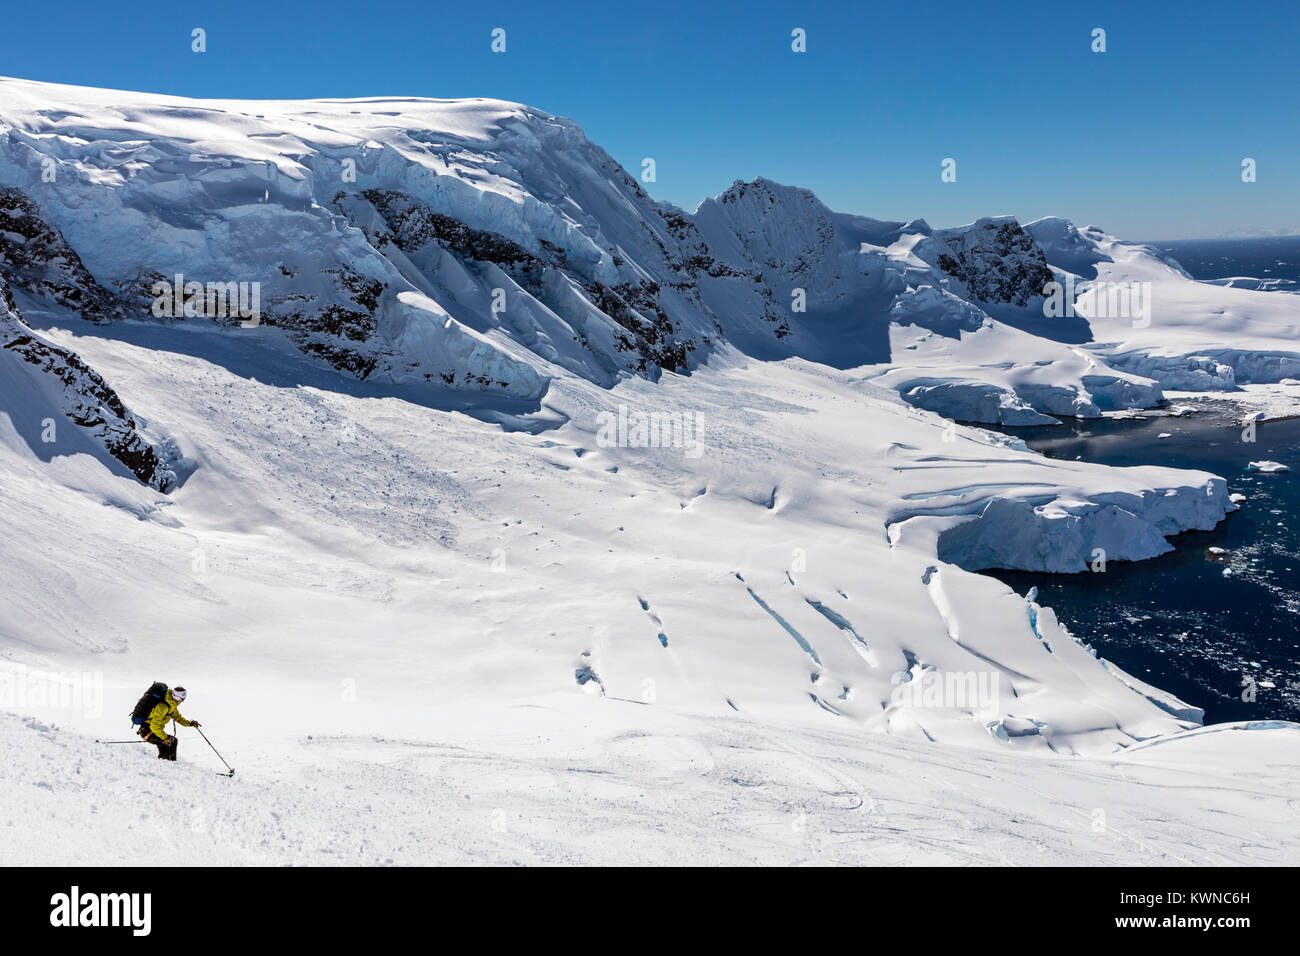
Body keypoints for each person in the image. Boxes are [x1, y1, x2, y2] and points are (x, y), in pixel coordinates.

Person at [137, 686, 200, 760]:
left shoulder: (171, 705)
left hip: (153, 731)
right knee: (172, 741)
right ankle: (170, 764)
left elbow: (177, 717)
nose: (183, 701)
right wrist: (165, 738)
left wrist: (190, 723)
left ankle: (166, 763)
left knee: (168, 744)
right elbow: (154, 726)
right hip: (147, 731)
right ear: (177, 697)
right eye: (182, 699)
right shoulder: (163, 706)